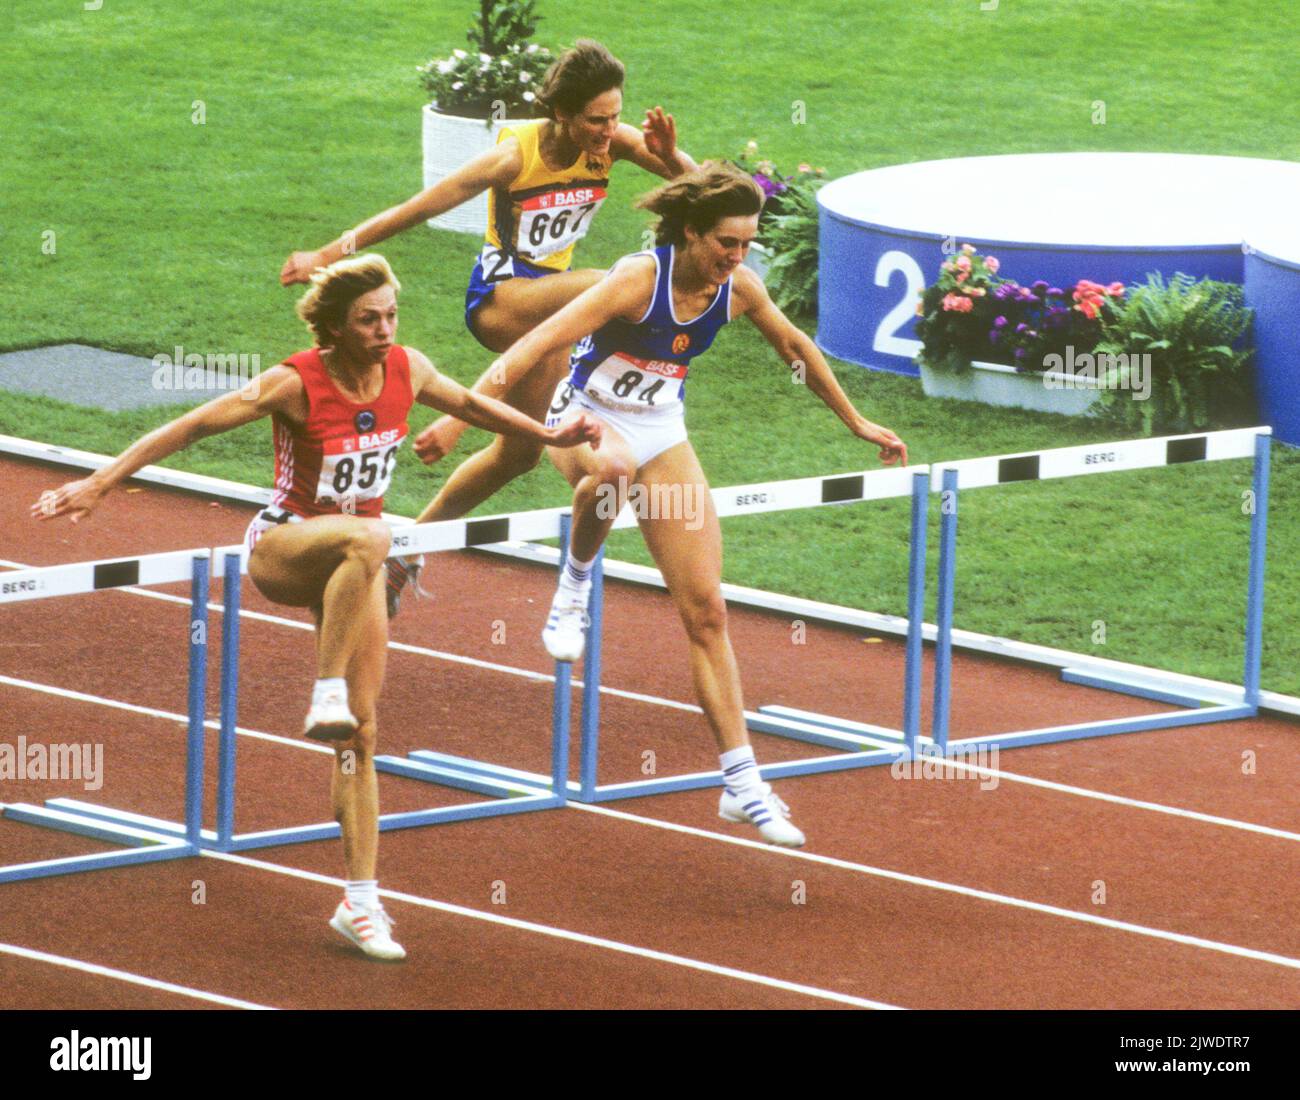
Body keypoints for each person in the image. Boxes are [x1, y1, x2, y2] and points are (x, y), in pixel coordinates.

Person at [31, 254, 600, 958]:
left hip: (356, 570)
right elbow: (192, 427)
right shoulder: (295, 381)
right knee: (374, 536)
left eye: (391, 315)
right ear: (333, 327)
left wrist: (548, 436)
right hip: (285, 548)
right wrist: (100, 482)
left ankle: (360, 904)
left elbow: (474, 406)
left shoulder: (408, 369)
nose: (386, 329)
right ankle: (323, 687)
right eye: (369, 320)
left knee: (360, 737)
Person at [441, 163, 908, 848]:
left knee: (708, 610)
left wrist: (855, 421)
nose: (737, 257)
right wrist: (459, 419)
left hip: (662, 429)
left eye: (747, 244)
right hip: (585, 414)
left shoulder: (738, 287)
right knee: (611, 471)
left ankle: (742, 785)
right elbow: (538, 341)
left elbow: (796, 350)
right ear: (691, 234)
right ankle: (572, 590)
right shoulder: (638, 278)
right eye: (726, 243)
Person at [279, 40, 695, 612]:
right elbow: (420, 207)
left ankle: (406, 550)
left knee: (516, 456)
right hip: (501, 300)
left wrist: (673, 158)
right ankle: (485, 422)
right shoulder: (513, 158)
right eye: (596, 121)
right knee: (619, 282)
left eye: (614, 117)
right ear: (563, 115)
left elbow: (714, 196)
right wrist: (325, 254)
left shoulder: (614, 145)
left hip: (553, 314)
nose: (607, 130)